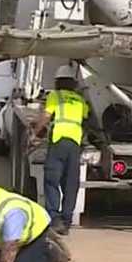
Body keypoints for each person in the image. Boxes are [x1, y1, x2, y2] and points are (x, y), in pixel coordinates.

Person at [38, 64, 91, 235]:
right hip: (74, 145)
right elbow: (87, 118)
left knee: (51, 180)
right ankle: (66, 221)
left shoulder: (55, 96)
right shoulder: (80, 100)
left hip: (58, 142)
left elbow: (46, 117)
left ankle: (54, 219)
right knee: (70, 184)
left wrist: (36, 133)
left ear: (57, 82)